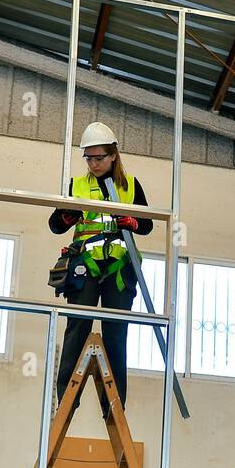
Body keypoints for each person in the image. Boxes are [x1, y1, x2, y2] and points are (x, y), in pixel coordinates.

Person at [48, 121, 153, 414]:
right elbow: (55, 224)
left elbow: (148, 224)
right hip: (85, 266)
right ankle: (67, 397)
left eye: (99, 158)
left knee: (115, 331)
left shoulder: (130, 186)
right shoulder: (77, 185)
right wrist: (69, 217)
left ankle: (114, 403)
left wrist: (132, 221)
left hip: (119, 269)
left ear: (112, 156)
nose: (93, 164)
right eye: (89, 158)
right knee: (78, 325)